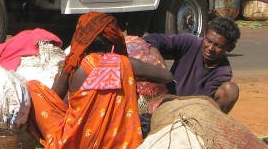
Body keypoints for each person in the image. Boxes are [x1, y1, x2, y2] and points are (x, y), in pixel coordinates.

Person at [26, 11, 172, 148]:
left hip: (76, 141)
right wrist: (131, 76)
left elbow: (57, 100)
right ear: (112, 40)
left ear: (82, 39)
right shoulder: (125, 64)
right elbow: (167, 77)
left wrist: (66, 71)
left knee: (33, 87)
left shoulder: (77, 68)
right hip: (118, 142)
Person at [144, 16, 241, 113]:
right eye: (208, 41)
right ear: (204, 35)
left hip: (193, 111)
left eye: (218, 45)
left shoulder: (222, 73)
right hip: (163, 100)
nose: (210, 48)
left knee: (230, 90)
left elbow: (200, 101)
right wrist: (156, 58)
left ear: (230, 48)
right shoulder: (189, 42)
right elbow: (151, 39)